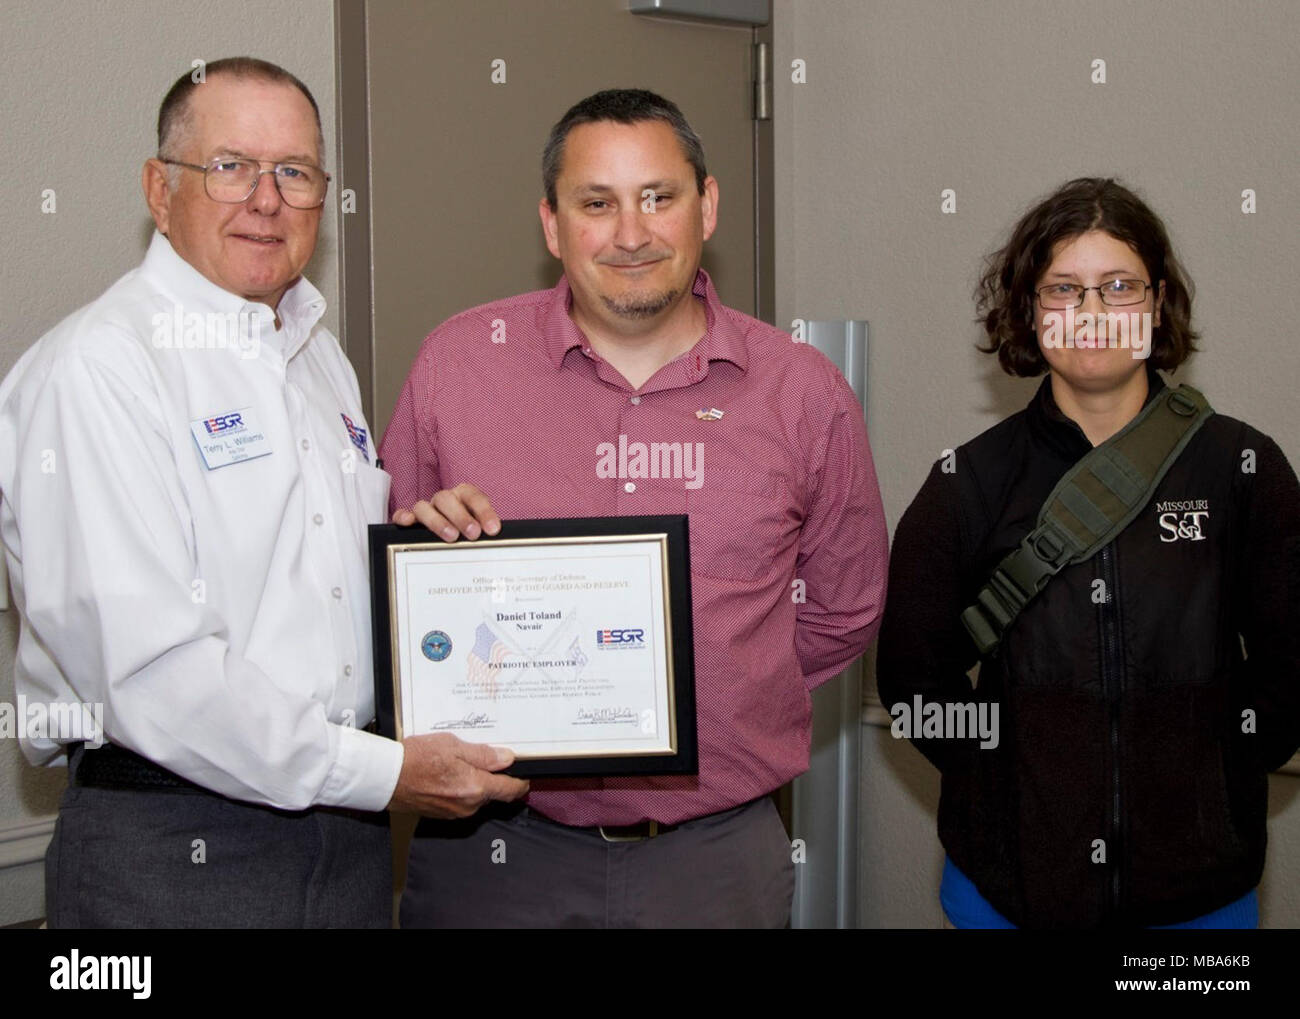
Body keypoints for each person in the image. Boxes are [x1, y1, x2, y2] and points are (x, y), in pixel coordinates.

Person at [0, 57, 527, 929]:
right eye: (231, 166)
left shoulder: (318, 357)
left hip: (345, 841)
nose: (267, 198)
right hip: (171, 843)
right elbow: (151, 673)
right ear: (159, 190)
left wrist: (418, 554)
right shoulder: (100, 369)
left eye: (296, 172)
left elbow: (304, 587)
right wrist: (387, 774)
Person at [381, 88, 888, 928]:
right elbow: (391, 583)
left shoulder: (803, 393)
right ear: (552, 225)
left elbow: (841, 607)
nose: (630, 232)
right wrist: (430, 547)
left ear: (708, 205)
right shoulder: (459, 366)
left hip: (714, 861)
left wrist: (724, 685)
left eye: (658, 196)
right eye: (597, 203)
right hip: (499, 853)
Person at [876, 177, 1300, 929]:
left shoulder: (1242, 467)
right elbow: (913, 679)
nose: (1093, 315)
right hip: (1009, 895)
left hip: (1198, 900)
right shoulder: (967, 481)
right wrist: (998, 776)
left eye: (1118, 287)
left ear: (1158, 302)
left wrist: (1217, 770)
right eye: (1064, 289)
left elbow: (1291, 665)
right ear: (1030, 310)